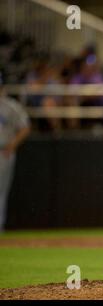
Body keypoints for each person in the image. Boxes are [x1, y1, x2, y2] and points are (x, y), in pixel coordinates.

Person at [0, 72, 31, 232]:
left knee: (1, 190)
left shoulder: (10, 106)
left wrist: (12, 145)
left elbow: (25, 127)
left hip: (3, 151)